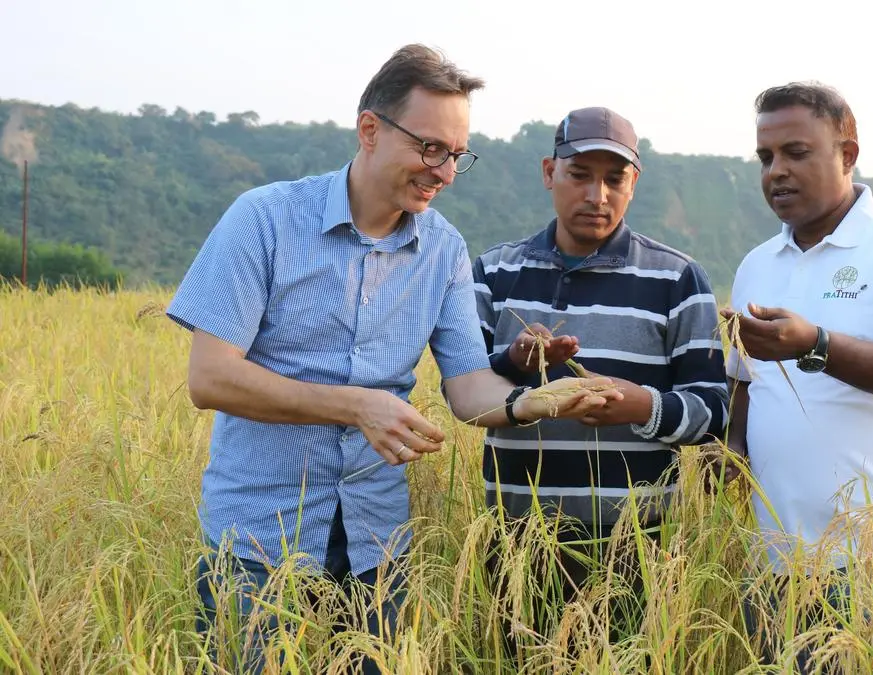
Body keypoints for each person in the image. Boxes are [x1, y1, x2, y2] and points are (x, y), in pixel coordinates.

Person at [165, 45, 621, 674]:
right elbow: (210, 378)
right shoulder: (264, 219)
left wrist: (529, 402)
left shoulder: (444, 250)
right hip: (255, 544)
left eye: (458, 156)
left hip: (376, 548)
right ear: (370, 130)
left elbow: (467, 389)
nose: (444, 171)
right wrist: (356, 407)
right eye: (431, 148)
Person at [719, 82, 873, 670]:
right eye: (765, 158)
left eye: (796, 153)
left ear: (848, 153)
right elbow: (745, 381)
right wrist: (731, 446)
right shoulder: (758, 264)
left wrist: (817, 344)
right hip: (779, 566)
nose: (776, 172)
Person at [471, 106, 730, 653]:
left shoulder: (676, 278)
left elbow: (713, 409)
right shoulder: (494, 272)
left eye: (615, 179)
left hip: (636, 550)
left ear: (634, 183)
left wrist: (641, 407)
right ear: (549, 172)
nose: (597, 196)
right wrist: (519, 362)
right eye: (579, 175)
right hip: (517, 544)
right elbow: (467, 392)